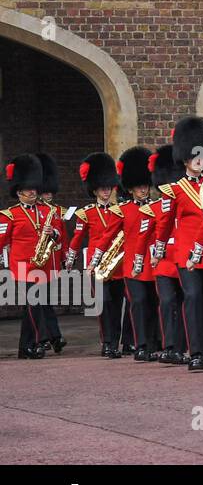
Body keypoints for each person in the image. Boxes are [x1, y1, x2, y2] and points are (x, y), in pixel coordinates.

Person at [153, 116, 203, 372]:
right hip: (186, 254)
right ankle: (195, 353)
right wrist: (159, 249)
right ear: (184, 159)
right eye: (194, 156)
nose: (199, 161)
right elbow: (165, 223)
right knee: (192, 297)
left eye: (202, 156)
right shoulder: (174, 190)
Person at [68, 152, 127, 357]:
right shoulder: (86, 213)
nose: (105, 191)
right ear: (94, 190)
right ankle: (107, 342)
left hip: (117, 264)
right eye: (102, 188)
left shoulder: (118, 210)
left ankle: (116, 343)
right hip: (97, 264)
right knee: (104, 304)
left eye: (108, 188)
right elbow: (77, 238)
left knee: (118, 304)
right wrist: (70, 257)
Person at [1, 154, 58, 359]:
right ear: (19, 192)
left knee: (31, 308)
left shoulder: (45, 211)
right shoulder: (10, 215)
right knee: (34, 304)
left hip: (41, 265)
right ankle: (38, 341)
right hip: (23, 265)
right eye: (28, 189)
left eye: (34, 188)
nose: (33, 192)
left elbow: (56, 237)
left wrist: (54, 234)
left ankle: (24, 348)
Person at [119, 145, 162, 362]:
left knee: (154, 304)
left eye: (145, 186)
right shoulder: (123, 210)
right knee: (138, 303)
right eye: (139, 187)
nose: (143, 190)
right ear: (130, 189)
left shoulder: (156, 207)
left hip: (153, 263)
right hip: (132, 265)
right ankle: (140, 345)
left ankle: (154, 343)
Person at [148, 146, 187, 365]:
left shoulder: (185, 200)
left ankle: (181, 346)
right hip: (163, 260)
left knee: (183, 302)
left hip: (181, 256)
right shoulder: (157, 205)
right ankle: (169, 345)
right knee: (167, 302)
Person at [35, 153, 68, 354]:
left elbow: (62, 235)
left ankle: (51, 337)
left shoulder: (55, 211)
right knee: (39, 301)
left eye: (50, 193)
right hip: (35, 261)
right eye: (45, 193)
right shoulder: (35, 211)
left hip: (51, 261)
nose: (49, 196)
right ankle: (50, 337)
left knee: (45, 301)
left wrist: (63, 259)